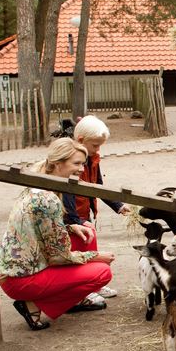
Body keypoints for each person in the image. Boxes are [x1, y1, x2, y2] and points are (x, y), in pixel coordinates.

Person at [0, 138, 117, 331]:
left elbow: (45, 229)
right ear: (57, 163)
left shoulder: (37, 182)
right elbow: (58, 257)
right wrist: (96, 257)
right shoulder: (48, 199)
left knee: (85, 233)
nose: (81, 169)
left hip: (15, 270)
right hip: (21, 280)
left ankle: (57, 299)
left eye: (82, 164)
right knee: (102, 272)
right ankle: (34, 304)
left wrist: (71, 227)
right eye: (76, 164)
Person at [61, 114, 132, 305]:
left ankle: (94, 284)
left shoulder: (92, 158)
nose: (98, 149)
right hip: (71, 216)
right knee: (77, 252)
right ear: (81, 141)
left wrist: (118, 205)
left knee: (90, 246)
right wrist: (73, 220)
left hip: (84, 212)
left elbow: (98, 185)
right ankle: (84, 289)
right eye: (95, 145)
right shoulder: (70, 160)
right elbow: (65, 191)